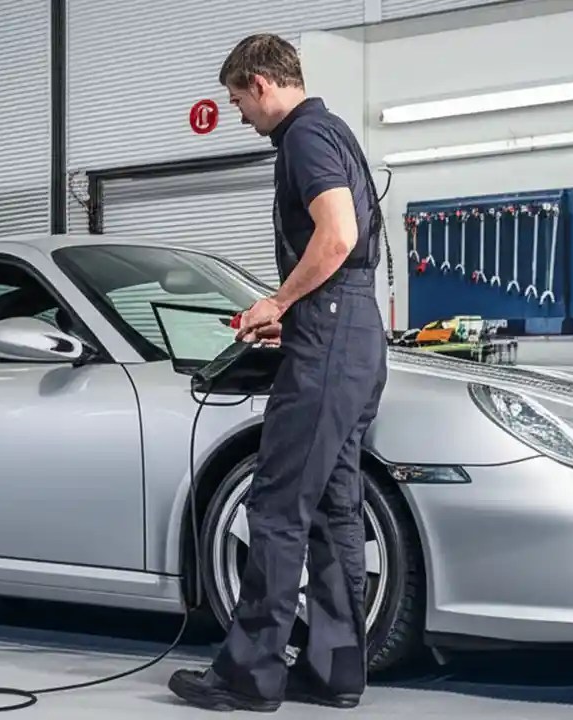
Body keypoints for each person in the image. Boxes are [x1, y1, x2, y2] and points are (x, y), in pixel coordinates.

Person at [168, 33, 389, 712]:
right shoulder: (335, 131)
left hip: (328, 335)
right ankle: (334, 670)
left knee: (276, 503)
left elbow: (338, 235)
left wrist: (282, 301)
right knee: (333, 510)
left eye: (237, 99)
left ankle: (250, 673)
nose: (238, 113)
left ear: (261, 84)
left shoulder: (304, 138)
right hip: (353, 333)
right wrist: (289, 314)